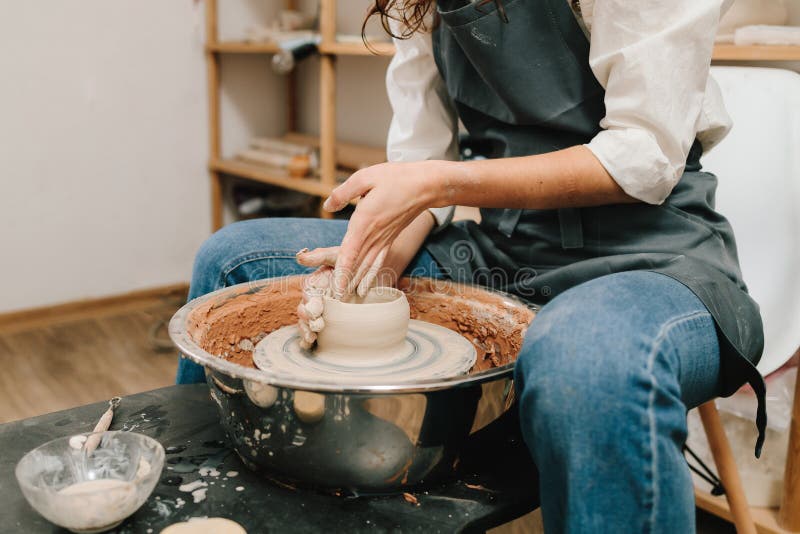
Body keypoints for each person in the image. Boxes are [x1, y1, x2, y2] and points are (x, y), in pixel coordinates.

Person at [178, 1, 767, 531]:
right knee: (235, 263)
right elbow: (419, 160)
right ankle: (191, 508)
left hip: (657, 260)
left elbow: (645, 158)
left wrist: (442, 183)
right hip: (504, 253)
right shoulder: (421, 3)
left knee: (583, 354)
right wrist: (371, 262)